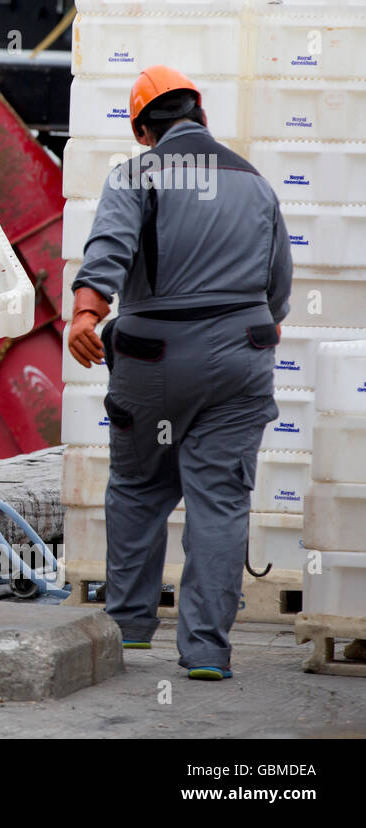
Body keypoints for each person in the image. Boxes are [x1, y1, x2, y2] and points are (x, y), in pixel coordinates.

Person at [67, 65, 293, 680]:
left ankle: (131, 630)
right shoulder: (256, 182)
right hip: (241, 359)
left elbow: (108, 248)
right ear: (202, 118)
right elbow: (278, 293)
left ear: (144, 131)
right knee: (219, 502)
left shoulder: (137, 173)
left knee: (140, 488)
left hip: (154, 361)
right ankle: (205, 654)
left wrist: (87, 311)